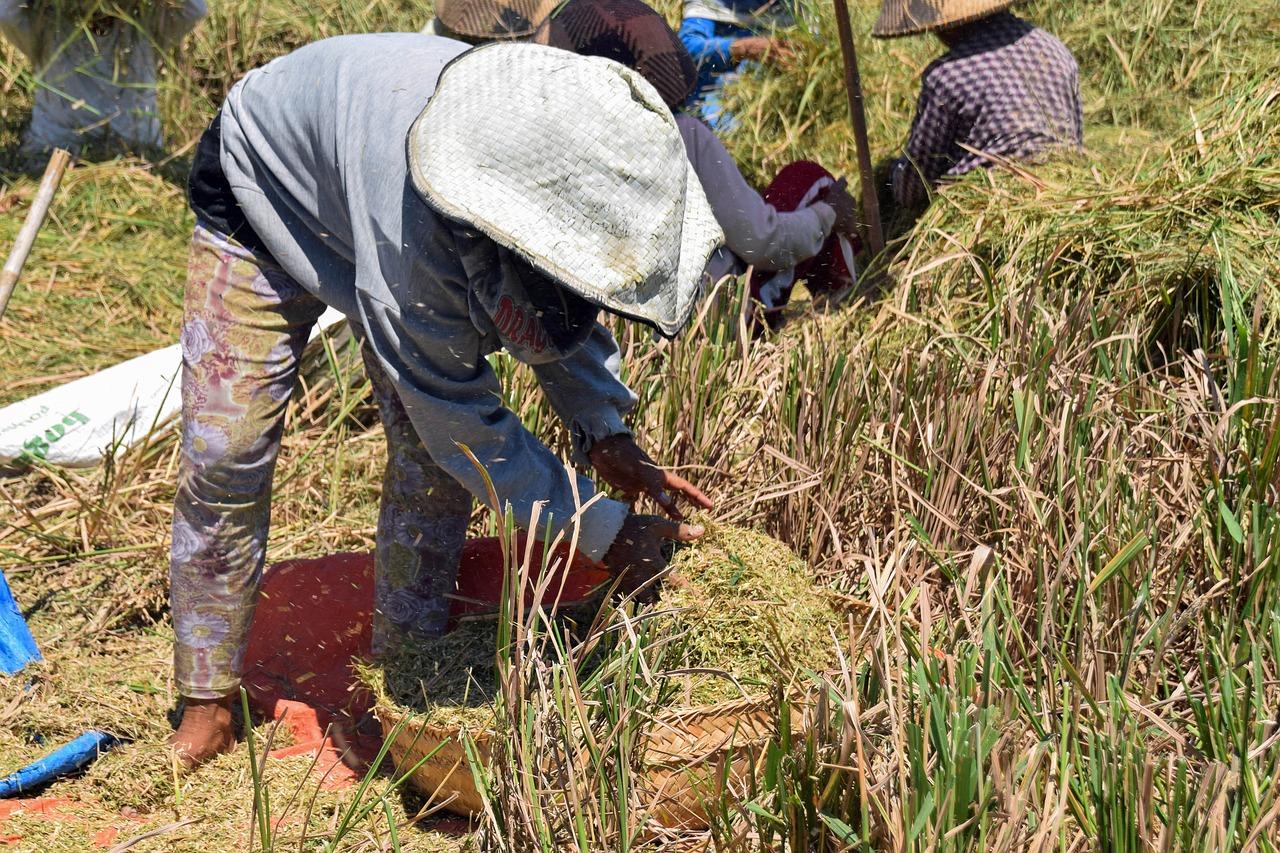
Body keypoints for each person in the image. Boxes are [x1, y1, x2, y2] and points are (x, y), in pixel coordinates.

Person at [168, 36, 723, 766]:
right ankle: (206, 695)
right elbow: (458, 424)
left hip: (373, 204)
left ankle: (408, 671)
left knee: (428, 473)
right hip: (265, 188)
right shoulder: (424, 235)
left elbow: (572, 293)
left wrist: (604, 431)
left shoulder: (543, 188)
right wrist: (604, 529)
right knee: (227, 450)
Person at [427, 0, 859, 329]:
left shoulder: (558, 149)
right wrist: (826, 214)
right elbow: (762, 242)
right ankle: (845, 301)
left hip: (600, 332)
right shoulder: (684, 137)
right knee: (809, 181)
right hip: (706, 321)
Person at [874, 0, 1083, 212]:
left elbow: (913, 188)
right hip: (1063, 198)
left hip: (989, 208)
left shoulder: (948, 75)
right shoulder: (1055, 51)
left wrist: (890, 176)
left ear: (949, 23)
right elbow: (1076, 144)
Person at [0, 0, 206, 163]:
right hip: (56, 148)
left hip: (136, 155)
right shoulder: (45, 31)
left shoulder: (145, 29)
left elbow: (194, 9)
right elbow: (6, 12)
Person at [678, 0, 793, 132]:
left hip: (769, 120)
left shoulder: (795, 8)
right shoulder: (711, 4)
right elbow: (686, 50)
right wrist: (742, 48)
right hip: (708, 117)